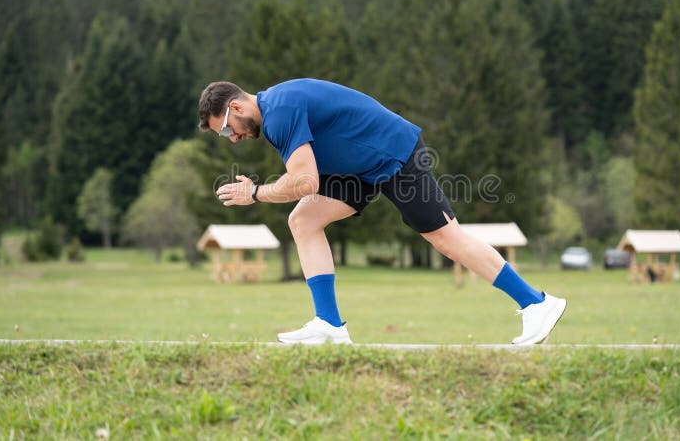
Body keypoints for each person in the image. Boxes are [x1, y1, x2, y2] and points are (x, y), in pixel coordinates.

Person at [197, 78, 567, 345]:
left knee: (446, 239)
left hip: (394, 154)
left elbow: (305, 180)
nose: (233, 139)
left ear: (237, 108)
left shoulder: (279, 113)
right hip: (359, 168)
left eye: (227, 130)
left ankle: (537, 303)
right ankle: (329, 324)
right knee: (304, 220)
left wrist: (256, 193)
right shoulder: (276, 109)